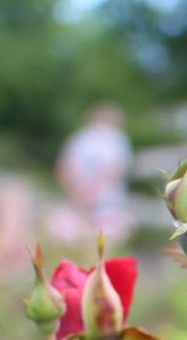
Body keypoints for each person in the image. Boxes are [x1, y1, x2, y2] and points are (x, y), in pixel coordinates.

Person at [54, 104, 133, 242]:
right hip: (94, 204)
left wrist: (79, 191)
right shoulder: (116, 139)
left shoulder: (81, 138)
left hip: (99, 204)